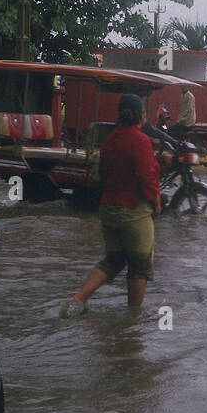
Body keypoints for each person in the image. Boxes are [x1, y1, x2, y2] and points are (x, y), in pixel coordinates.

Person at [62, 94, 162, 313]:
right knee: (139, 264)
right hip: (133, 210)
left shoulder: (109, 140)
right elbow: (147, 178)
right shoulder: (141, 141)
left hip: (108, 209)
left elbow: (102, 175)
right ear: (142, 115)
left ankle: (78, 300)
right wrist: (156, 204)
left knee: (114, 260)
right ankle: (132, 320)